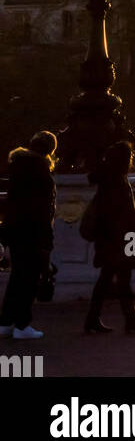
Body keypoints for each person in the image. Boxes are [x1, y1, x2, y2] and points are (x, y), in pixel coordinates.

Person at [83, 141, 135, 334]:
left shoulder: (109, 178)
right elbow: (124, 217)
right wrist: (131, 246)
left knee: (107, 279)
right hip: (121, 239)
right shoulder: (116, 181)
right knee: (122, 279)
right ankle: (130, 320)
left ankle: (94, 319)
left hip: (112, 240)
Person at [0, 130, 57, 340]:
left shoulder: (18, 168)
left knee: (17, 277)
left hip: (15, 230)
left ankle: (6, 321)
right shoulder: (41, 172)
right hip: (33, 232)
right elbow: (42, 211)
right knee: (29, 279)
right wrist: (47, 240)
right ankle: (22, 325)